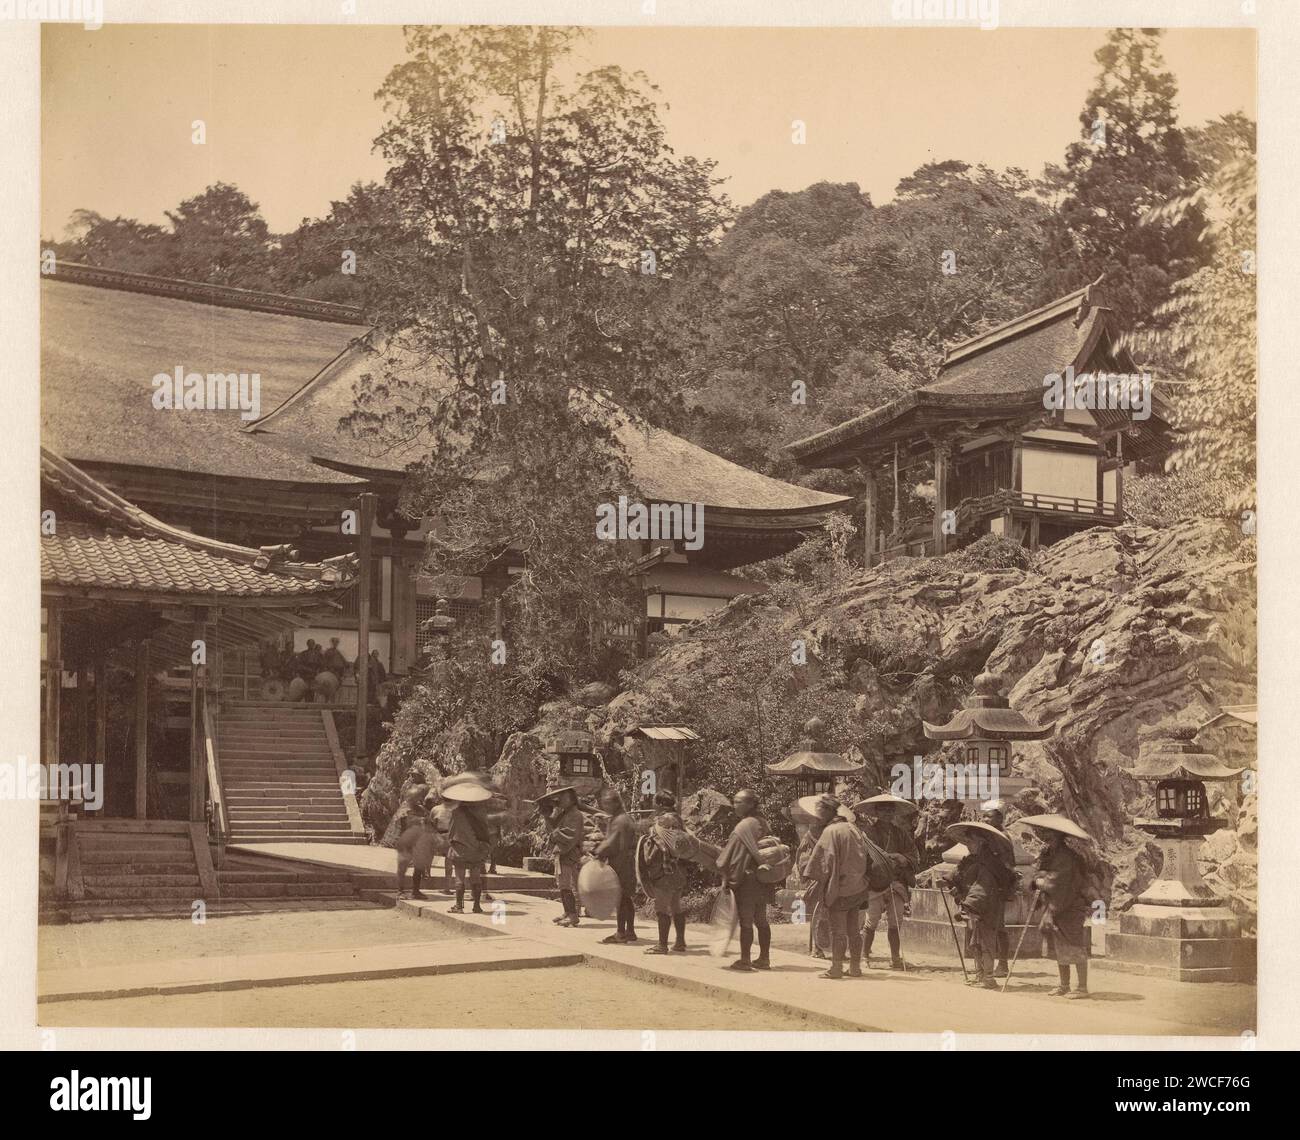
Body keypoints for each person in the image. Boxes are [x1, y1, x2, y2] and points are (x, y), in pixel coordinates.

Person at [1026, 816, 1097, 999]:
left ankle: (1082, 987)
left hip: (1070, 906)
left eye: (1050, 834)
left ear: (1058, 836)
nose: (1046, 837)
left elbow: (1058, 882)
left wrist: (1041, 881)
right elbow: (1041, 874)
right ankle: (1064, 984)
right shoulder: (1051, 855)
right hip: (1056, 905)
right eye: (1045, 834)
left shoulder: (1066, 857)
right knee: (1059, 946)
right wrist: (1039, 876)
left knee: (1074, 945)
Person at [801, 795, 870, 979]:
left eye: (819, 810)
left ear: (828, 811)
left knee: (837, 930)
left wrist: (810, 877)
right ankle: (855, 967)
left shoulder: (830, 832)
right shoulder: (853, 829)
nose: (817, 814)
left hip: (839, 888)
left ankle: (836, 968)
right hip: (857, 886)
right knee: (854, 930)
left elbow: (822, 863)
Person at [948, 822, 1017, 989]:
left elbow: (982, 887)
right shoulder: (971, 860)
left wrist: (969, 905)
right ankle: (979, 975)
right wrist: (948, 882)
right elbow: (958, 874)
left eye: (971, 842)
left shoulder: (991, 864)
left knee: (986, 942)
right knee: (975, 942)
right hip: (973, 907)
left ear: (981, 842)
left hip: (986, 907)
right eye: (967, 842)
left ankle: (988, 977)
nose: (968, 845)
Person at [855, 794, 921, 970]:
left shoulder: (901, 833)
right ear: (876, 812)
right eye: (883, 810)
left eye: (890, 810)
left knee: (896, 921)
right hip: (875, 882)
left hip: (897, 881)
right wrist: (882, 862)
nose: (887, 814)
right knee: (872, 920)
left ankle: (895, 957)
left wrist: (902, 858)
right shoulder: (867, 833)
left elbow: (913, 854)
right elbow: (863, 855)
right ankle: (864, 955)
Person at [715, 788, 773, 972]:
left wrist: (724, 873)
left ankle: (745, 960)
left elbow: (726, 858)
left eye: (738, 801)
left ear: (749, 804)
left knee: (746, 921)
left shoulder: (742, 827)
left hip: (747, 880)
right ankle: (764, 959)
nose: (734, 805)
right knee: (762, 920)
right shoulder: (763, 823)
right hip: (764, 878)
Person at [637, 790, 692, 955]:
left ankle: (661, 945)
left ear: (660, 804)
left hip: (664, 871)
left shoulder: (661, 822)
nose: (653, 805)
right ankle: (680, 942)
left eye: (655, 802)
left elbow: (655, 848)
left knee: (661, 908)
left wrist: (646, 865)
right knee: (676, 906)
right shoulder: (678, 819)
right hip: (679, 871)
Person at [594, 788, 639, 943]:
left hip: (621, 864)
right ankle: (630, 931)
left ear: (615, 803)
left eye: (607, 803)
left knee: (620, 898)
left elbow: (611, 843)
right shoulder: (623, 818)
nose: (605, 807)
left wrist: (598, 852)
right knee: (626, 898)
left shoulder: (620, 821)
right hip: (627, 863)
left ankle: (621, 933)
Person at [978, 799, 1015, 976]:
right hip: (983, 885)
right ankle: (983, 964)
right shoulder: (985, 836)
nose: (985, 820)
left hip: (998, 886)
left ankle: (1003, 963)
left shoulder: (1003, 837)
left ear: (999, 818)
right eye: (983, 816)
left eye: (989, 816)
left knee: (999, 927)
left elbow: (1008, 865)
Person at [539, 784, 584, 927]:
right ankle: (567, 911)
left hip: (568, 853)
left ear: (571, 799)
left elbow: (569, 835)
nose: (560, 800)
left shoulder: (575, 815)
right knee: (562, 884)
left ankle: (572, 915)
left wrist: (555, 834)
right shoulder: (565, 813)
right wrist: (546, 816)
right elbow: (554, 828)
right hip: (563, 853)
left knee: (566, 885)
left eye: (563, 798)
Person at [445, 786, 493, 914]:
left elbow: (451, 833)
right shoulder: (481, 813)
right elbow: (486, 831)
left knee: (459, 877)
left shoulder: (456, 813)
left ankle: (459, 907)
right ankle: (477, 906)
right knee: (476, 877)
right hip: (477, 850)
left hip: (461, 849)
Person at [395, 807, 438, 900]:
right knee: (403, 869)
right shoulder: (404, 814)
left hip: (417, 844)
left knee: (418, 868)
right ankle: (400, 891)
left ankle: (415, 891)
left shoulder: (422, 812)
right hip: (407, 843)